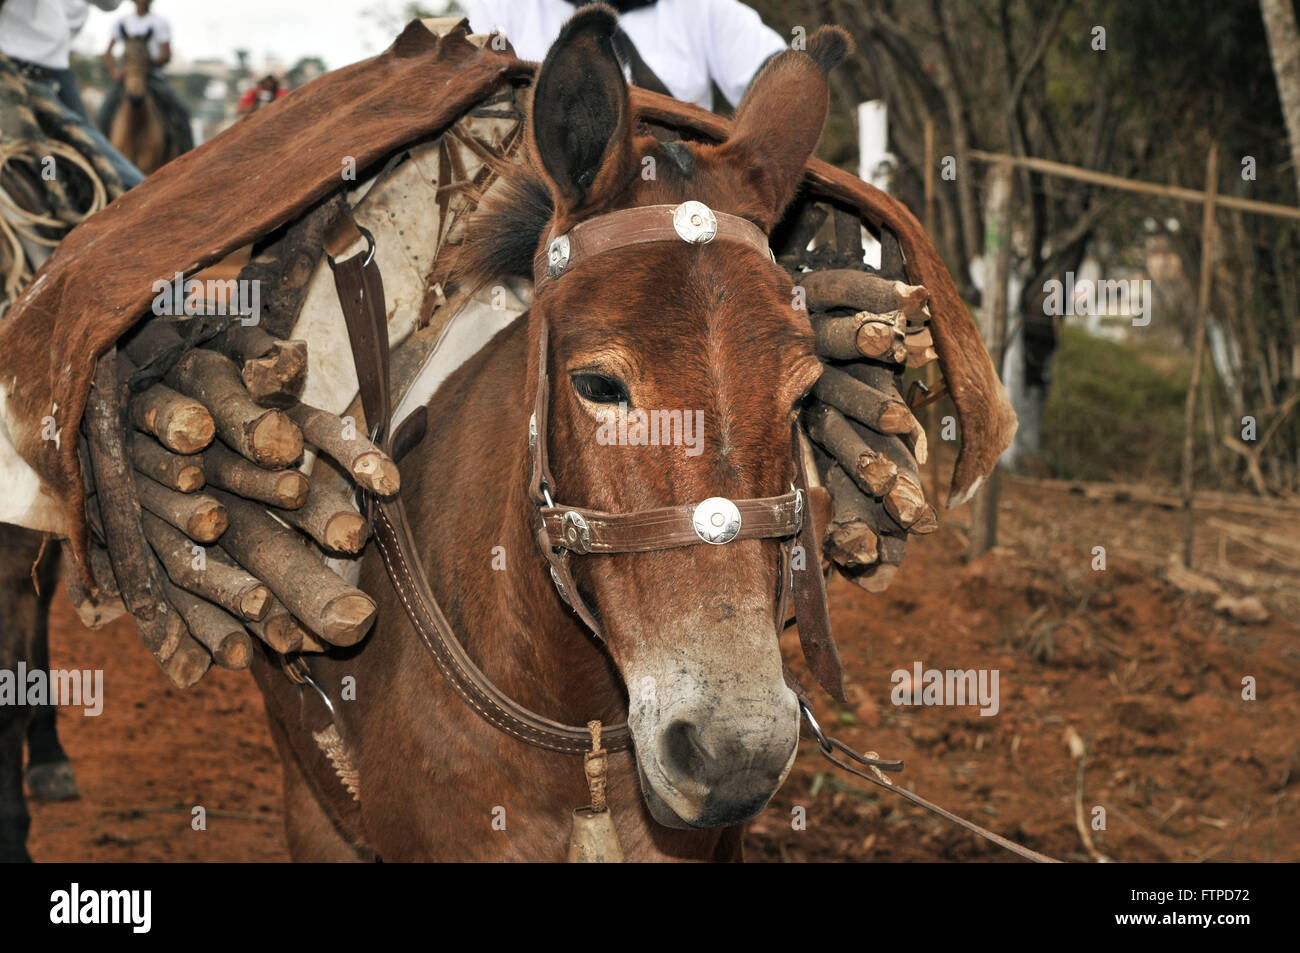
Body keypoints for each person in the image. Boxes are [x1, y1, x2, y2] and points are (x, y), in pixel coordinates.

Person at [467, 0, 787, 112]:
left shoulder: (701, 6)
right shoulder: (501, 6)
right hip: (548, 206)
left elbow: (783, 83)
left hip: (683, 199)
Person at [0, 0, 144, 186]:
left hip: (56, 74)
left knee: (91, 151)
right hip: (15, 73)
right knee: (50, 155)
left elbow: (110, 3)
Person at [98, 0, 193, 152]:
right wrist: (115, 70)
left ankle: (187, 154)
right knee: (104, 113)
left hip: (152, 76)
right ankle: (101, 154)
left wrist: (145, 64)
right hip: (127, 77)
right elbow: (108, 52)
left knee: (180, 112)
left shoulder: (160, 22)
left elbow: (166, 55)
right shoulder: (122, 22)